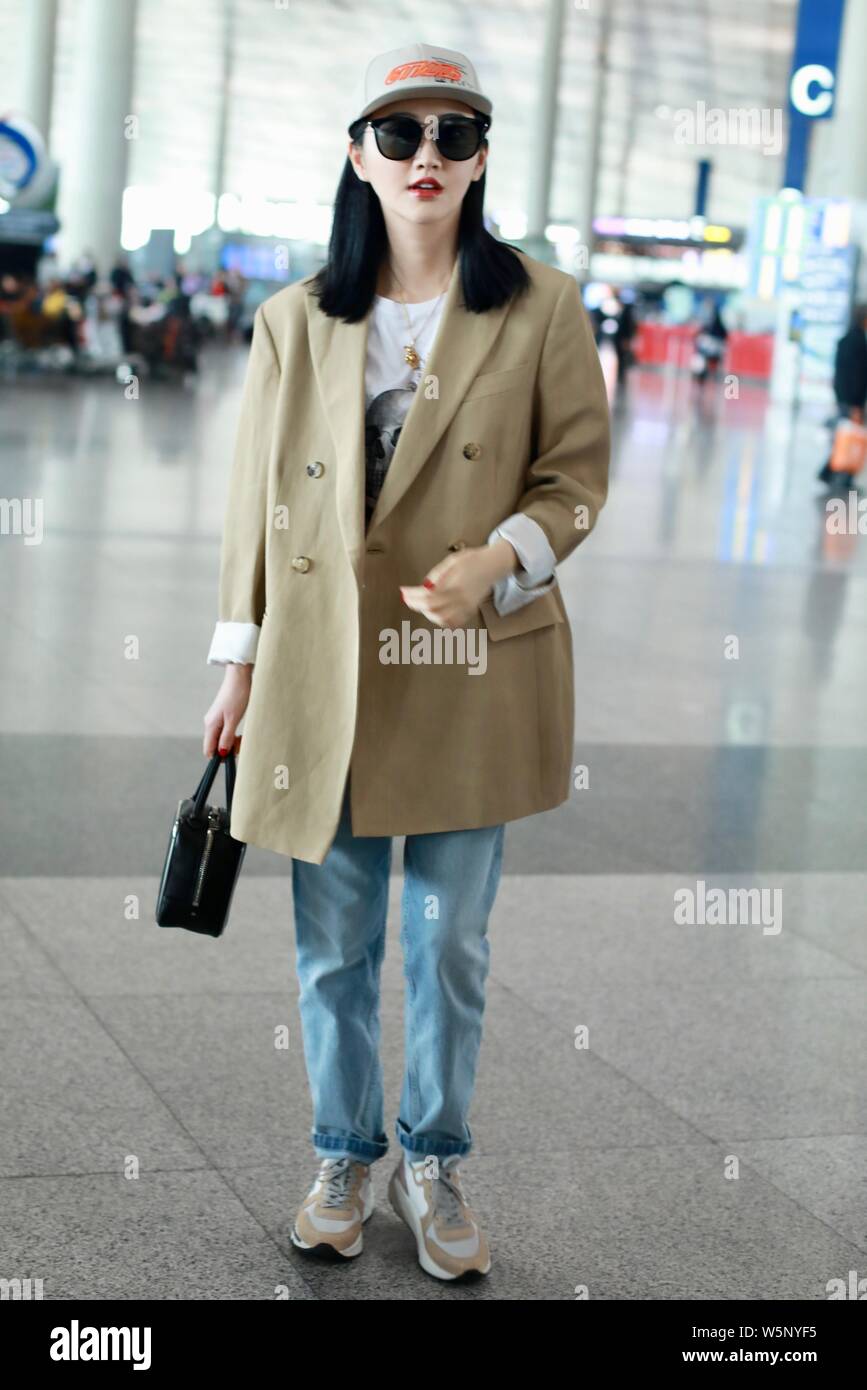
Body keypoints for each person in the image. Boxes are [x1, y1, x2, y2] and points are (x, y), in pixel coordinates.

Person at [202, 42, 610, 1282]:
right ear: (358, 154)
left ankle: (433, 1163)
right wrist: (237, 663)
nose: (426, 156)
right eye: (400, 133)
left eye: (453, 133)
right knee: (332, 945)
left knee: (443, 942)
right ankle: (343, 1154)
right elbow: (257, 506)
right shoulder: (296, 320)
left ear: (483, 156)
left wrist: (504, 559)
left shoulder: (541, 306)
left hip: (466, 668)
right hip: (326, 672)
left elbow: (576, 478)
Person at [818, 305, 867, 489]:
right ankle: (835, 474)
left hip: (843, 398)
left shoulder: (846, 340)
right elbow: (856, 377)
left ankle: (832, 473)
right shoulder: (858, 343)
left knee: (843, 436)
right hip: (851, 400)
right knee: (847, 438)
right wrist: (856, 404)